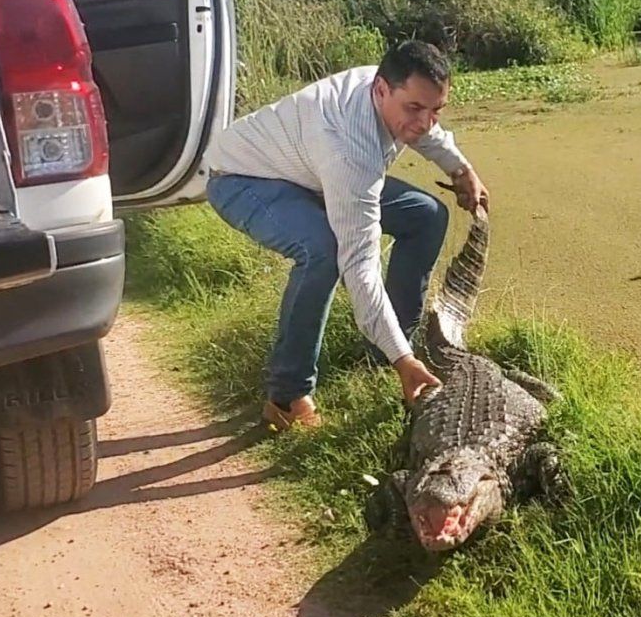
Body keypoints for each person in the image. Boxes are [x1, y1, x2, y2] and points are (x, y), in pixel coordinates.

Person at [201, 40, 489, 430]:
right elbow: (360, 263)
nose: (424, 122)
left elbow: (424, 129)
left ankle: (387, 349)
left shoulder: (390, 88)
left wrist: (460, 169)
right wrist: (403, 359)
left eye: (436, 109)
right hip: (243, 178)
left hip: (307, 171)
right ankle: (287, 396)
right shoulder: (349, 150)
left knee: (425, 215)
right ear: (381, 89)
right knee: (322, 250)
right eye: (415, 109)